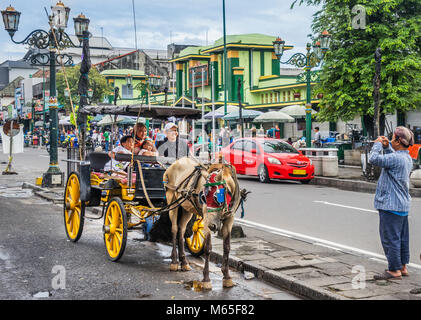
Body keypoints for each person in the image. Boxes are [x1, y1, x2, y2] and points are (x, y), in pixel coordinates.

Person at [369, 127, 414, 280]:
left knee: (390, 238)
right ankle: (402, 266)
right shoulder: (406, 158)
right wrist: (387, 146)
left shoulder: (396, 158)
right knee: (401, 237)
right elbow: (392, 160)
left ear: (398, 140)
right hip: (402, 205)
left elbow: (373, 159)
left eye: (392, 138)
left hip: (390, 204)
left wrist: (377, 144)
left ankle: (394, 270)